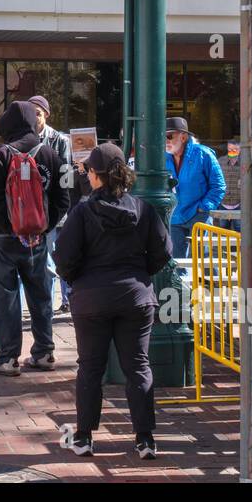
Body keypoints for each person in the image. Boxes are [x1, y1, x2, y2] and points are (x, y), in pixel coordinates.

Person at [53, 142, 171, 459]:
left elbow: (64, 257)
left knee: (90, 368)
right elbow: (163, 252)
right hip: (135, 296)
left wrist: (78, 279)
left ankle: (84, 437)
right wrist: (139, 274)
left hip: (92, 297)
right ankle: (145, 439)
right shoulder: (143, 209)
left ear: (95, 175)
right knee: (138, 366)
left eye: (89, 172)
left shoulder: (82, 212)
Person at [0, 101, 69, 375]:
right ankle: (44, 352)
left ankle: (7, 358)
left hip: (3, 238)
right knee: (41, 295)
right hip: (38, 239)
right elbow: (63, 199)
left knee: (5, 298)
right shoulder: (51, 155)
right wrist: (42, 227)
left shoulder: (0, 154)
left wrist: (10, 226)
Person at [28, 95, 74, 314]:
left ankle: (65, 299)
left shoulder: (60, 140)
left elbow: (66, 178)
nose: (34, 117)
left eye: (38, 112)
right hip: (31, 208)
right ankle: (46, 301)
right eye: (31, 112)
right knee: (40, 258)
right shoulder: (25, 138)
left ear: (46, 114)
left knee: (55, 255)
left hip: (54, 208)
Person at [164, 116, 226, 261]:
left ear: (183, 137)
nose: (165, 140)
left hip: (199, 214)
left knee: (203, 260)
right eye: (163, 136)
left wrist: (204, 207)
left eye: (169, 136)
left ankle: (209, 284)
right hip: (175, 216)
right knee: (176, 263)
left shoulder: (203, 154)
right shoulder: (163, 157)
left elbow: (219, 186)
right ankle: (180, 284)